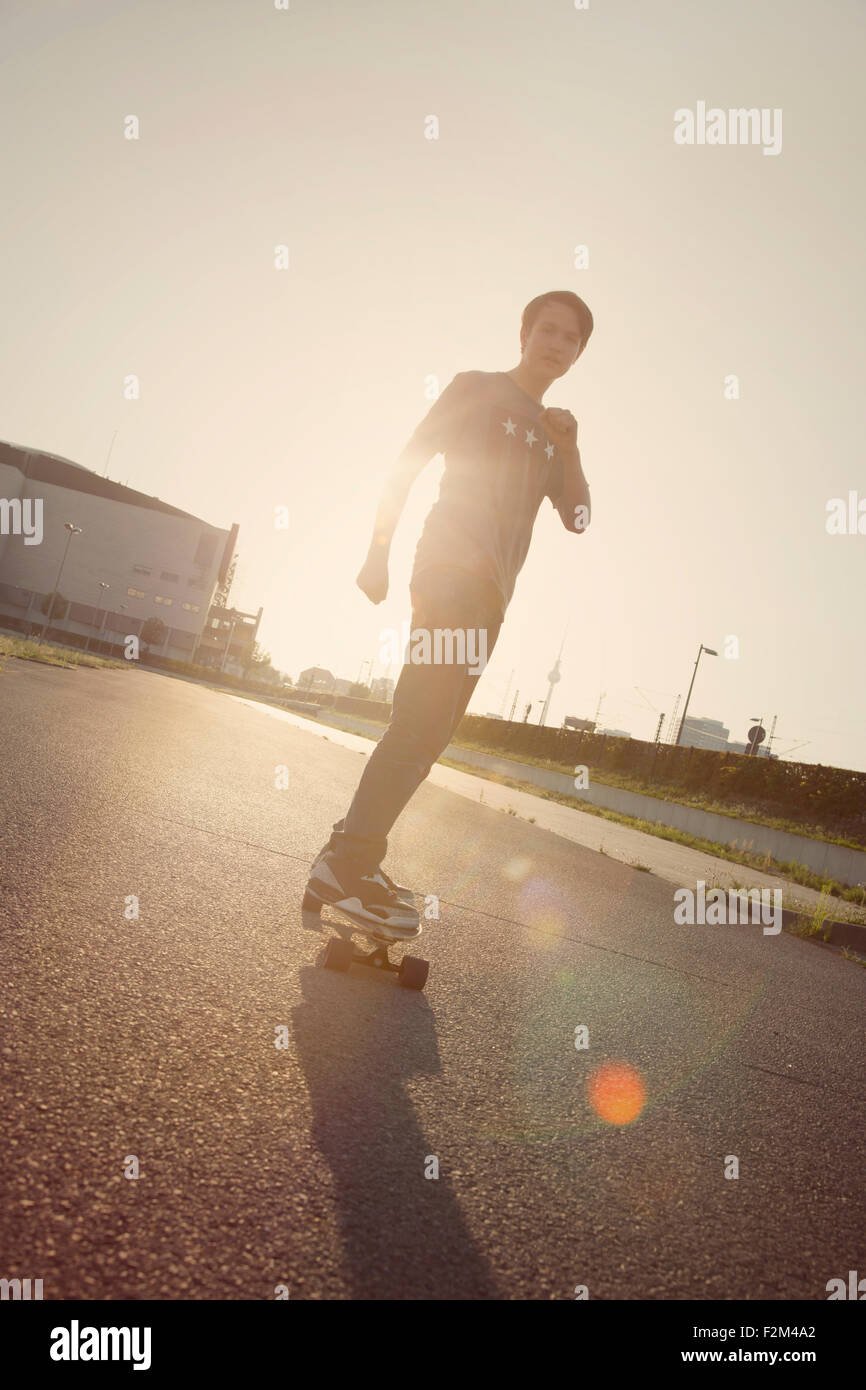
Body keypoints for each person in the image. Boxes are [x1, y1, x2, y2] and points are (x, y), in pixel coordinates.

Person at [303, 289, 594, 936]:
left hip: (491, 597)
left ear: (577, 355)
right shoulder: (477, 388)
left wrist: (570, 449)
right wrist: (377, 553)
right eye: (547, 329)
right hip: (448, 574)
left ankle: (347, 855)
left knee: (429, 734)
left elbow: (578, 518)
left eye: (570, 338)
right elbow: (407, 462)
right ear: (524, 333)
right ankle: (350, 862)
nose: (556, 343)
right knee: (420, 720)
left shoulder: (553, 440)